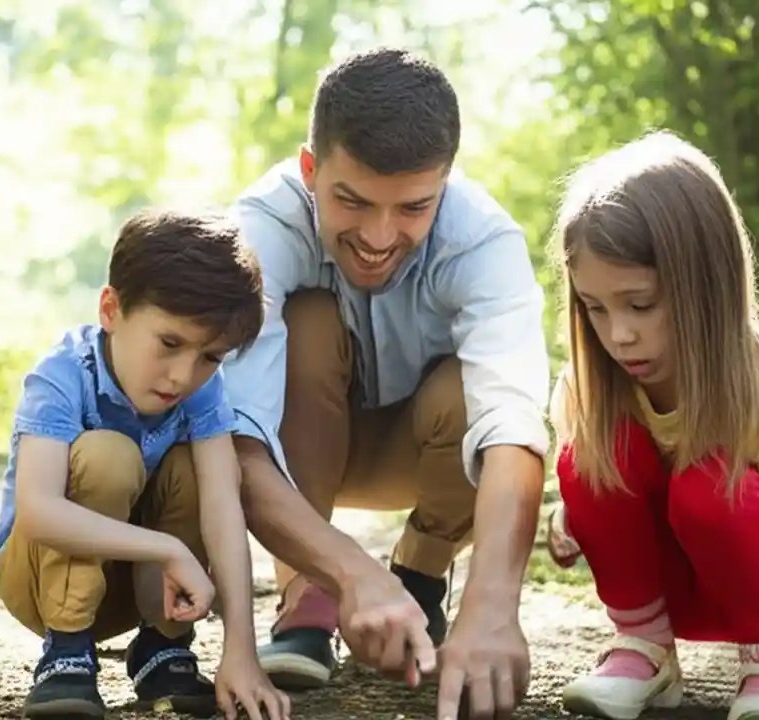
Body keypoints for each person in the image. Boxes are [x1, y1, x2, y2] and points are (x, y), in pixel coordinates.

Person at [221, 47, 553, 720]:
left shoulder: (483, 243)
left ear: (447, 183)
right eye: (351, 200)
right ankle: (307, 593)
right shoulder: (258, 228)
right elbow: (238, 445)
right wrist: (347, 573)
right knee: (307, 323)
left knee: (480, 396)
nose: (378, 235)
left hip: (423, 446)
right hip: (300, 448)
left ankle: (421, 577)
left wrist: (493, 607)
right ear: (310, 171)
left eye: (412, 208)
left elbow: (515, 433)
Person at [544, 131, 759, 720]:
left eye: (640, 304)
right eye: (595, 308)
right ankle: (645, 654)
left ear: (706, 287)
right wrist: (574, 510)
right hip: (658, 592)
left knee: (708, 484)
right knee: (589, 454)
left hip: (750, 590)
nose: (618, 334)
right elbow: (608, 487)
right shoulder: (590, 386)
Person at [0, 209, 291, 720]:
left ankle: (164, 645)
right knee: (108, 454)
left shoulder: (201, 393)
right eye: (169, 343)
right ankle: (66, 653)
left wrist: (241, 650)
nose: (183, 375)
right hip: (40, 581)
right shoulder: (63, 376)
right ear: (111, 309)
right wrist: (166, 548)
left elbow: (222, 509)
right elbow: (37, 511)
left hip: (138, 588)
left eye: (210, 357)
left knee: (207, 467)